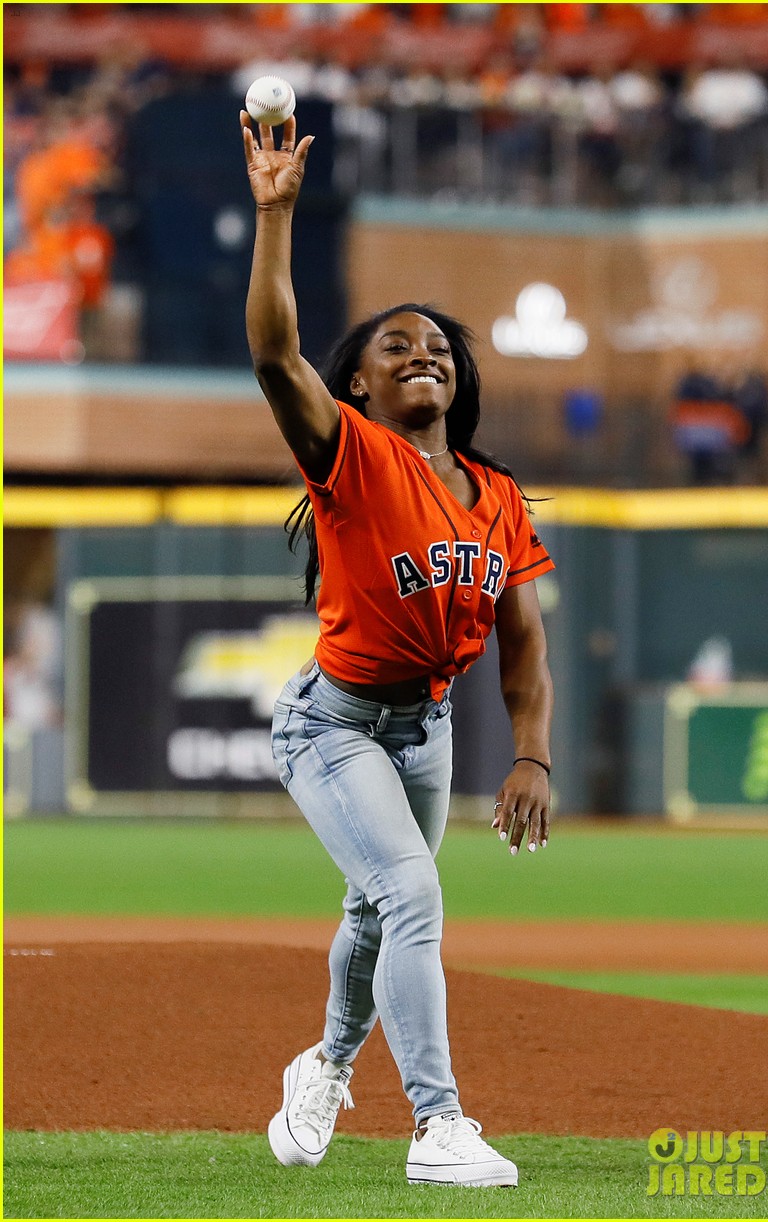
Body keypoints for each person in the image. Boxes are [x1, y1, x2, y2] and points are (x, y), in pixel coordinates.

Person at [241, 106, 555, 1188]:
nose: (422, 355)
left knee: (375, 910)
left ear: (456, 379)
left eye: (437, 348)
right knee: (412, 895)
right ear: (360, 386)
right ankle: (438, 1125)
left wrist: (532, 753)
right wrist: (275, 215)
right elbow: (273, 352)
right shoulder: (353, 452)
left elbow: (523, 640)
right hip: (331, 724)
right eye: (395, 347)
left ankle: (325, 1067)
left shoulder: (497, 494)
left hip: (426, 730)